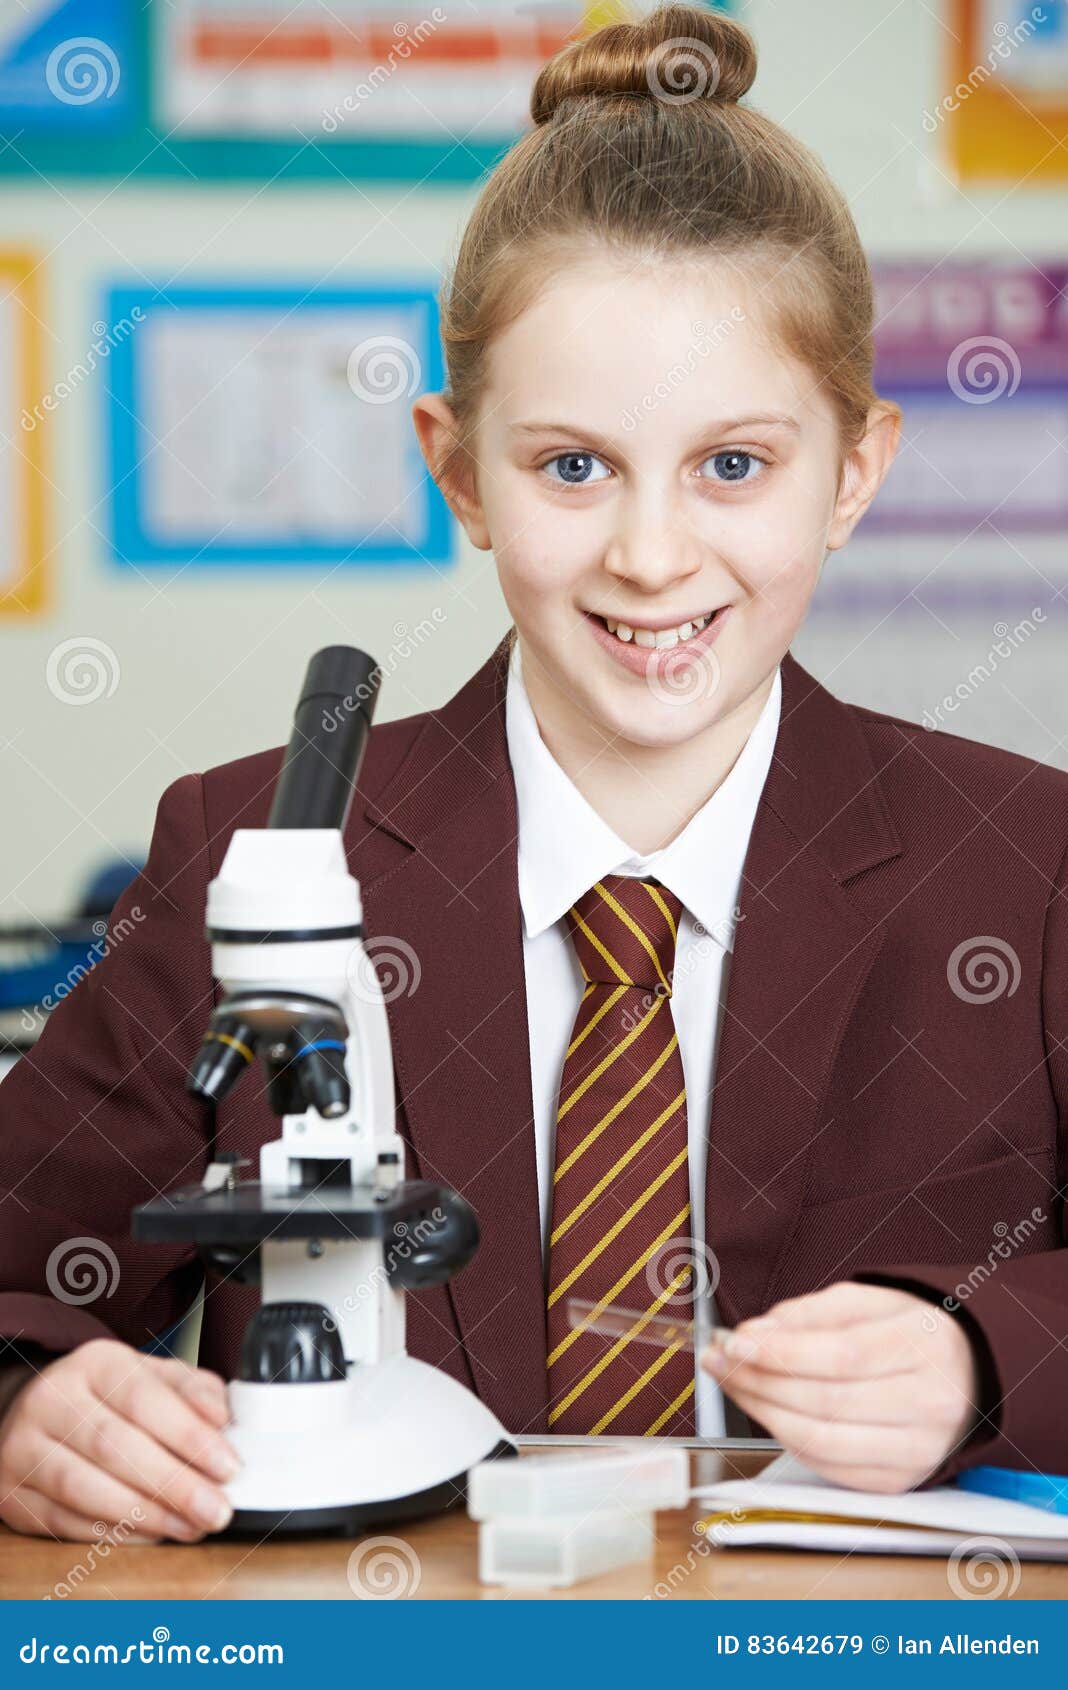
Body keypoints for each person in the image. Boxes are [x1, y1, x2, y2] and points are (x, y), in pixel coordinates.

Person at [1, 4, 1065, 1546]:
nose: (650, 555)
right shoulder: (254, 844)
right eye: (572, 466)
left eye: (735, 465)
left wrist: (983, 1356)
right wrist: (30, 1403)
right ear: (456, 468)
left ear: (856, 471)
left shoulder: (1022, 863)